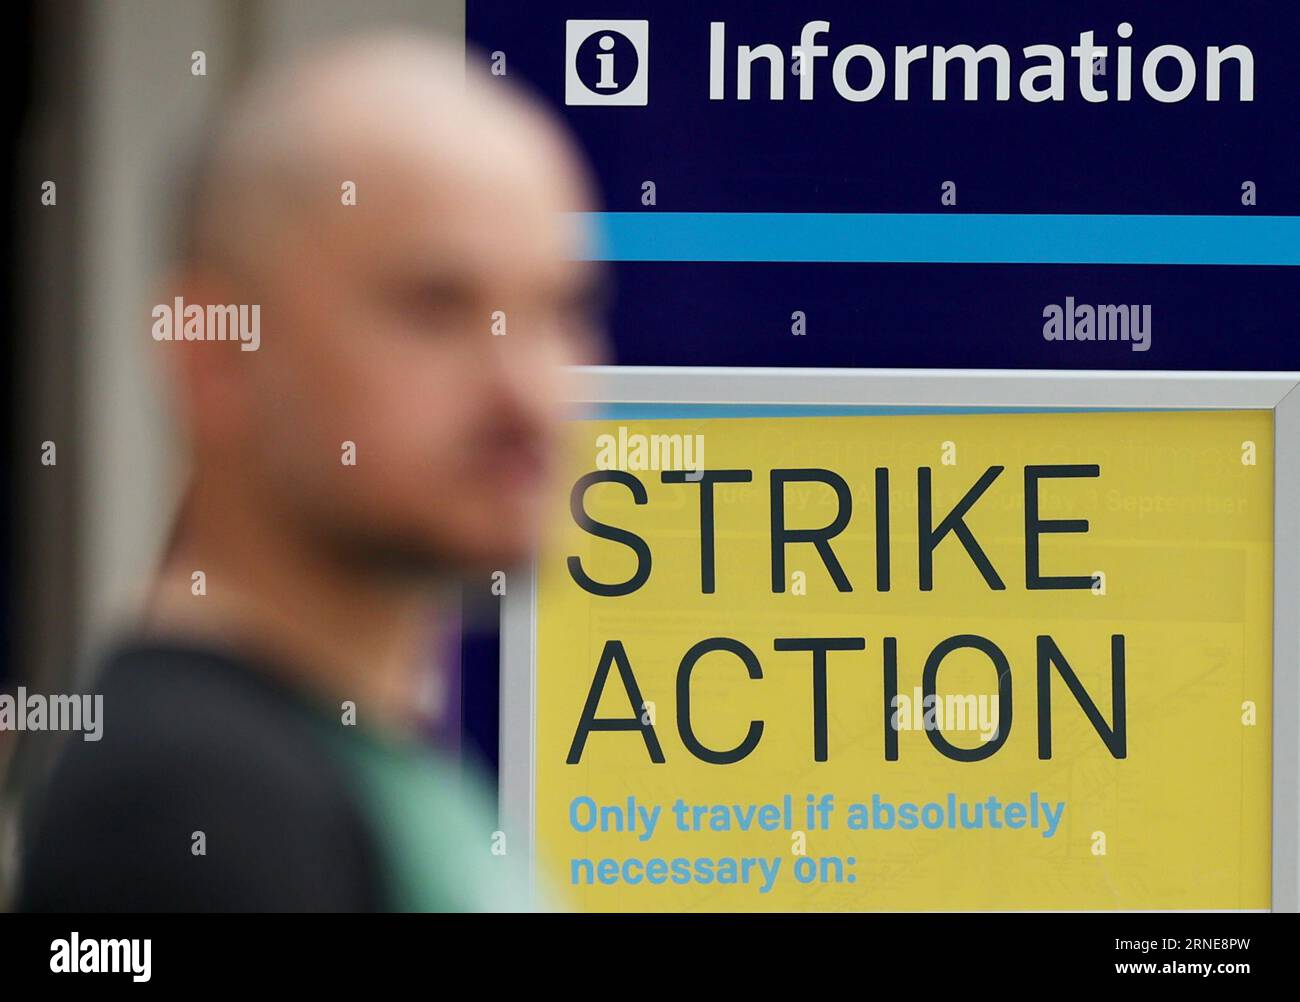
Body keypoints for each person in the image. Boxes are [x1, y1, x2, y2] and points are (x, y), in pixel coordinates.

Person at [18, 32, 604, 911]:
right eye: (435, 307)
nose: (528, 392)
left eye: (558, 310)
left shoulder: (373, 767)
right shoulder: (186, 802)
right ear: (213, 356)